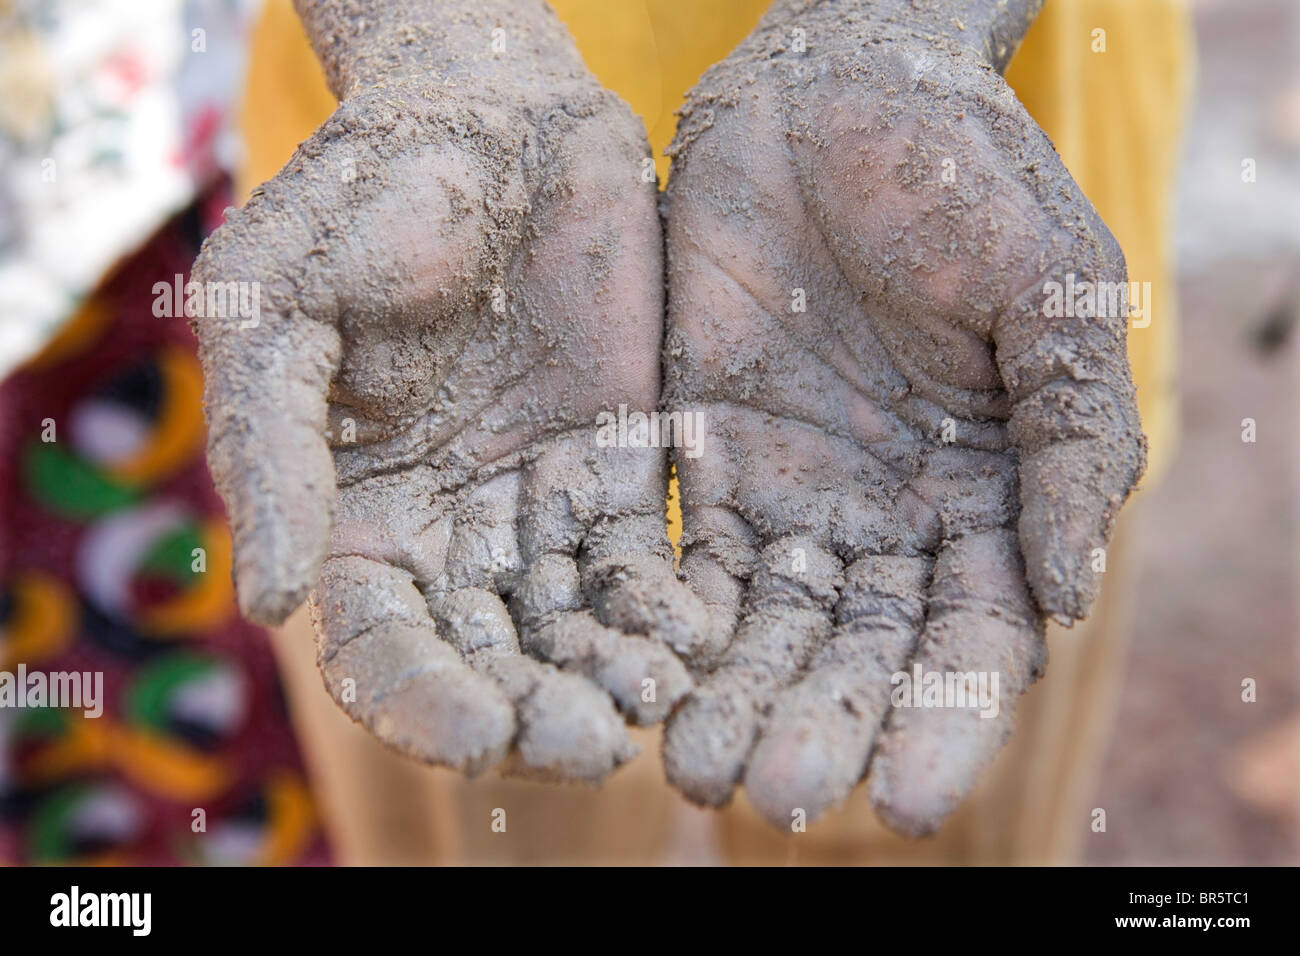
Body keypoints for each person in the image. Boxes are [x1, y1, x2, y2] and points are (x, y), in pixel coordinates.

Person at [212, 0, 1190, 864]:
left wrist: (899, 24)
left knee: (903, 792)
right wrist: (432, 45)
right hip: (442, 338)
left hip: (933, 281)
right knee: (483, 780)